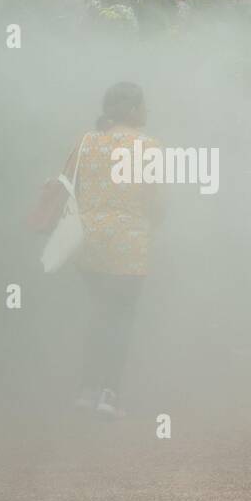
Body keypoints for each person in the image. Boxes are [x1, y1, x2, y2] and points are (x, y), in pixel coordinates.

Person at [67, 82, 163, 418]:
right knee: (120, 319)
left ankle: (85, 390)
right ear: (134, 110)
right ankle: (109, 394)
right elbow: (151, 200)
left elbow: (70, 188)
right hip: (127, 244)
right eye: (145, 106)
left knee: (99, 315)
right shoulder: (147, 146)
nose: (148, 112)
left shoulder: (86, 142)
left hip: (87, 242)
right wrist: (157, 221)